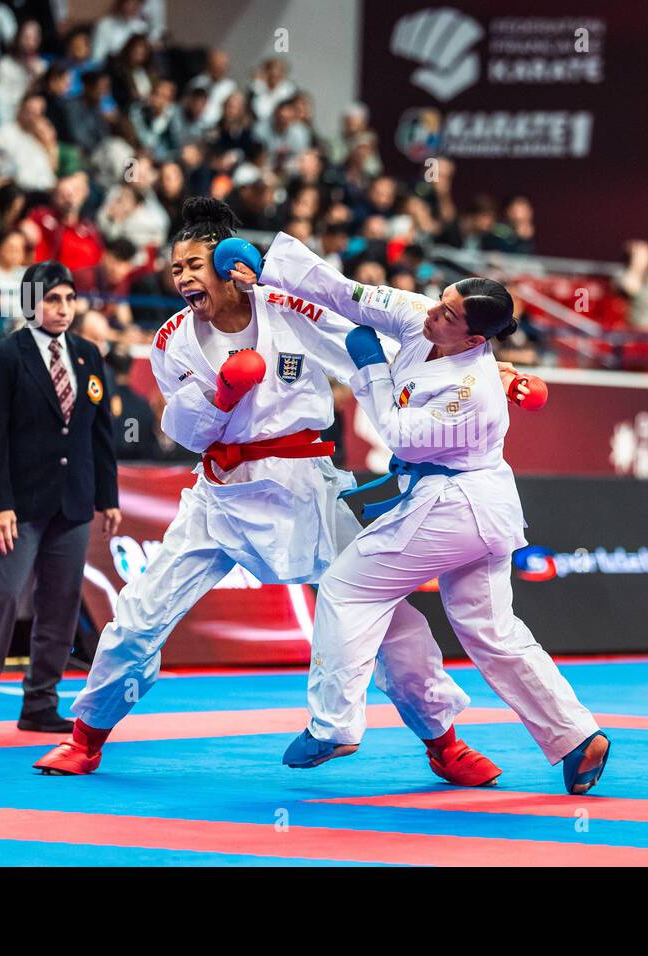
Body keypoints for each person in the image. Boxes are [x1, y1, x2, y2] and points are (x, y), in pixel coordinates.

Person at [31, 198, 493, 783]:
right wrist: (221, 395)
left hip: (308, 489)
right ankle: (86, 737)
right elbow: (180, 429)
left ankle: (444, 741)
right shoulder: (173, 340)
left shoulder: (288, 307)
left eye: (194, 264)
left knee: (383, 613)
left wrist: (473, 373)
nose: (183, 279)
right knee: (140, 615)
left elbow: (365, 351)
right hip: (220, 495)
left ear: (227, 262)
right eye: (176, 270)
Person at [237, 231, 607, 794]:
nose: (433, 313)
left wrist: (369, 372)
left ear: (474, 337)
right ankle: (578, 737)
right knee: (491, 630)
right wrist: (268, 268)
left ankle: (334, 723)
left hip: (458, 506)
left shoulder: (473, 390)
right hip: (469, 506)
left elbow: (403, 438)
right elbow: (347, 293)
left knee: (348, 586)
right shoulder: (421, 317)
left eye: (449, 315)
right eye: (441, 299)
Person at [0, 261, 121, 735]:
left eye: (68, 299)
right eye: (52, 300)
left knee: (62, 601)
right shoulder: (4, 357)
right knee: (3, 596)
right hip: (18, 506)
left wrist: (108, 496)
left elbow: (100, 435)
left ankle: (41, 702)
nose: (63, 309)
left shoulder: (88, 355)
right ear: (30, 303)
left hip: (74, 502)